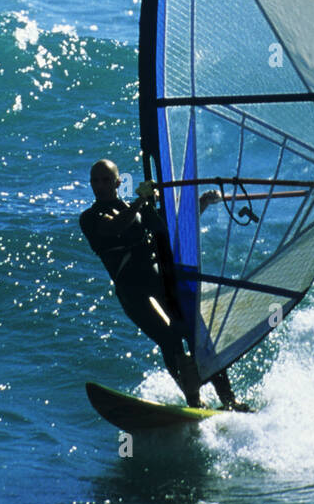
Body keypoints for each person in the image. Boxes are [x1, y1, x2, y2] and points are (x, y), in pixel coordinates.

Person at [80, 159, 248, 410]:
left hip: (160, 281)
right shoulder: (90, 218)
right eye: (95, 180)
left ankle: (229, 399)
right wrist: (141, 201)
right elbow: (115, 227)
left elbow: (172, 228)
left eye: (106, 180)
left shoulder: (136, 208)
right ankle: (194, 401)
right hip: (133, 292)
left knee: (196, 335)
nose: (100, 185)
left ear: (117, 182)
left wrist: (201, 202)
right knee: (170, 339)